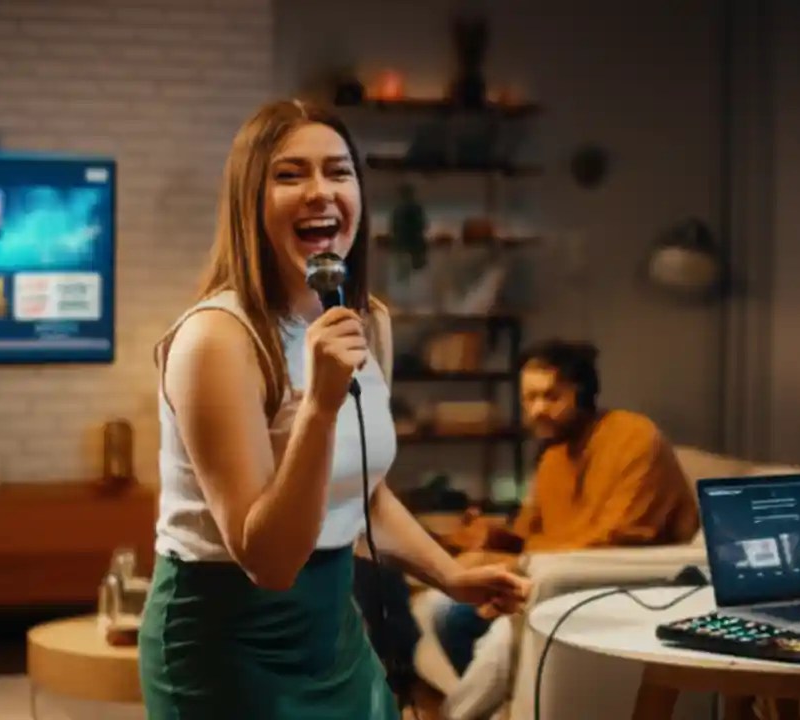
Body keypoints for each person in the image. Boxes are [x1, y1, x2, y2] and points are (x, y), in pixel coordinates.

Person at [137, 99, 529, 720]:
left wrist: (449, 574)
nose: (320, 192)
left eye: (338, 172)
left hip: (332, 633)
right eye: (290, 175)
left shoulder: (368, 321)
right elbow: (268, 560)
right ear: (249, 202)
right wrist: (318, 407)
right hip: (226, 643)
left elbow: (363, 494)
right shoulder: (216, 339)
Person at [429, 339, 701, 719]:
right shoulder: (554, 454)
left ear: (584, 392)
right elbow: (528, 532)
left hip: (625, 587)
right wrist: (491, 536)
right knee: (447, 607)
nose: (537, 410)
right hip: (552, 576)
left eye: (551, 396)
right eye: (529, 399)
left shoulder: (635, 438)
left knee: (487, 625)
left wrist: (514, 562)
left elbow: (617, 541)